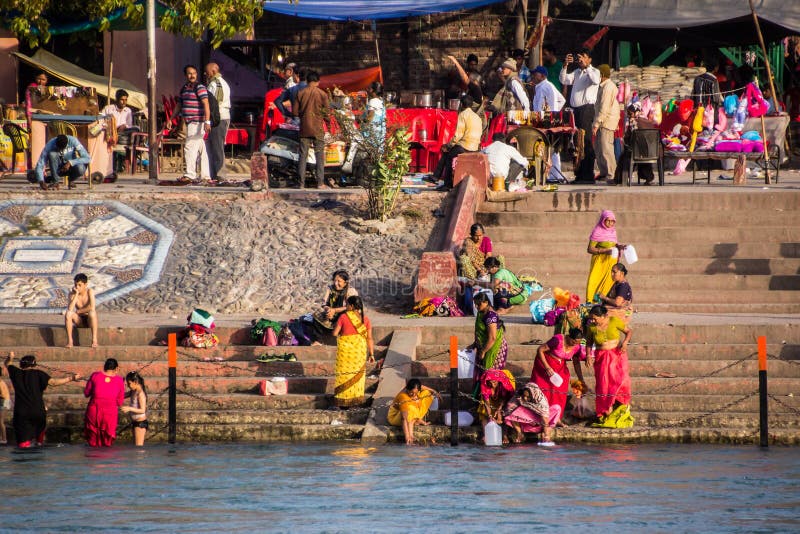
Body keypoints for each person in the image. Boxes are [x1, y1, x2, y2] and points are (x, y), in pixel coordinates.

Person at [4, 352, 79, 448]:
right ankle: (39, 442)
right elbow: (54, 382)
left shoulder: (16, 372)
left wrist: (10, 357)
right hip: (38, 410)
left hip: (21, 411)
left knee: (23, 443)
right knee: (39, 435)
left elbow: (7, 364)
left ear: (22, 364)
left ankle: (25, 447)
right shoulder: (39, 374)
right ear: (34, 365)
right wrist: (71, 378)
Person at [585, 305, 633, 428]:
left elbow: (628, 331)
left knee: (622, 380)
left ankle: (619, 404)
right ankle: (607, 411)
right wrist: (588, 356)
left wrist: (625, 343)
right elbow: (589, 343)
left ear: (603, 316)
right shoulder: (591, 327)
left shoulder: (613, 321)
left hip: (617, 356)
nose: (593, 321)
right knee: (603, 385)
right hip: (601, 358)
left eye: (595, 318)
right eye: (591, 318)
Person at [530, 328, 586, 431]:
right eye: (573, 341)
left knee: (561, 391)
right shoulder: (558, 340)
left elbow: (576, 363)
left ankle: (557, 419)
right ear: (569, 337)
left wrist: (581, 378)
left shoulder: (576, 347)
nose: (574, 344)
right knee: (544, 390)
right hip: (545, 364)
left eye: (577, 343)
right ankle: (540, 417)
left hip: (560, 367)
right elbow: (540, 350)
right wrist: (547, 368)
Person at [560, 48, 600, 183]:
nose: (581, 60)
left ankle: (588, 175)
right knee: (577, 143)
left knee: (585, 142)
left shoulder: (594, 71)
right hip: (576, 110)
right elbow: (564, 80)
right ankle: (579, 173)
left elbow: (595, 81)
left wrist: (587, 67)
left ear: (589, 59)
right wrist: (565, 65)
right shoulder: (577, 72)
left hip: (586, 109)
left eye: (583, 57)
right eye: (579, 57)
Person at [331, 296, 375, 408]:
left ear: (351, 306)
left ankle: (343, 402)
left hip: (345, 353)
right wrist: (372, 354)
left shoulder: (343, 317)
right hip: (359, 354)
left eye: (347, 305)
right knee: (357, 377)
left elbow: (335, 334)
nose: (345, 307)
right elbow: (369, 338)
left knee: (345, 376)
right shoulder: (366, 319)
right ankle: (356, 400)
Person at [432, 94, 482, 191]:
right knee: (449, 152)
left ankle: (446, 183)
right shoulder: (477, 117)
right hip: (475, 147)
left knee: (447, 154)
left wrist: (448, 145)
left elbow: (457, 136)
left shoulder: (463, 115)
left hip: (464, 146)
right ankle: (435, 177)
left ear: (461, 105)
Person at [173, 64, 212, 182]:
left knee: (189, 147)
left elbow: (206, 104)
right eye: (189, 73)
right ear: (186, 75)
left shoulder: (199, 87)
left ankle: (190, 174)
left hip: (197, 122)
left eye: (194, 73)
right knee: (201, 149)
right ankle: (206, 176)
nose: (192, 75)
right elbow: (179, 105)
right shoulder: (184, 88)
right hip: (190, 122)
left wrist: (207, 121)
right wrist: (171, 119)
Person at [296, 70, 333, 189]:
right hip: (317, 129)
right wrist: (329, 127)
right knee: (319, 156)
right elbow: (327, 114)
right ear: (317, 82)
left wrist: (303, 115)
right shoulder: (322, 94)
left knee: (302, 156)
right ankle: (320, 183)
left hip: (304, 129)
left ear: (307, 81)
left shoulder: (300, 93)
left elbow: (295, 112)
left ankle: (301, 184)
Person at [531, 65, 566, 182]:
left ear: (542, 76)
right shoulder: (542, 86)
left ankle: (553, 174)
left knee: (550, 147)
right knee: (548, 147)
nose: (533, 76)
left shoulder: (546, 86)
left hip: (546, 122)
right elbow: (562, 99)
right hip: (544, 120)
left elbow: (553, 104)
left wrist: (551, 113)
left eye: (536, 74)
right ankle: (551, 174)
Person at [586, 210, 627, 302]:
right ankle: (590, 303)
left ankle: (603, 303)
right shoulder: (597, 231)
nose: (610, 223)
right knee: (594, 282)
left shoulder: (613, 231)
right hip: (599, 262)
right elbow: (590, 249)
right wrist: (604, 251)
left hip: (611, 262)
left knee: (609, 282)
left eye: (612, 221)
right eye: (608, 220)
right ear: (603, 220)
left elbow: (614, 244)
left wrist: (620, 246)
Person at [84, 358, 125, 447]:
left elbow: (87, 393)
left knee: (93, 441)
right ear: (117, 369)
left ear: (104, 367)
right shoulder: (119, 380)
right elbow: (120, 402)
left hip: (94, 412)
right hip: (109, 414)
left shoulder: (95, 376)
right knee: (107, 443)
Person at [311, 270, 359, 344]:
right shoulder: (330, 289)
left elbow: (352, 307)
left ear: (345, 282)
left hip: (344, 314)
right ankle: (319, 340)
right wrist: (328, 310)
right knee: (316, 314)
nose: (336, 283)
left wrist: (334, 310)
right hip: (332, 314)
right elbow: (324, 303)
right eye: (334, 280)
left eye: (339, 281)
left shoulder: (350, 291)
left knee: (349, 316)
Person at [468, 291, 508, 379]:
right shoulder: (481, 313)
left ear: (486, 302)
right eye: (475, 304)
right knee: (482, 373)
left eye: (479, 304)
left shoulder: (491, 316)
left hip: (494, 347)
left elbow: (493, 338)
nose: (476, 307)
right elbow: (480, 332)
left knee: (491, 376)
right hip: (485, 346)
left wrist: (483, 351)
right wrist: (475, 344)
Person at [388, 378, 441, 445]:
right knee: (411, 408)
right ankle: (412, 432)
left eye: (416, 393)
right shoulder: (403, 397)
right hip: (395, 417)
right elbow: (404, 418)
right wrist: (408, 436)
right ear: (407, 389)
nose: (413, 395)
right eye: (411, 392)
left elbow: (421, 386)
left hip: (410, 414)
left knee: (427, 393)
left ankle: (417, 419)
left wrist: (434, 391)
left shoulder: (415, 390)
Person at [592, 64, 620, 183]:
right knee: (599, 148)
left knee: (606, 148)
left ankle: (611, 174)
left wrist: (597, 123)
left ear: (602, 75)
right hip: (603, 121)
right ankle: (604, 172)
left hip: (606, 122)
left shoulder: (608, 87)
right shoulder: (603, 86)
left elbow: (604, 108)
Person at [204, 62, 232, 181]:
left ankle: (220, 175)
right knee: (214, 147)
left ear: (213, 71)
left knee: (217, 147)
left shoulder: (216, 84)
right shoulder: (221, 83)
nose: (206, 74)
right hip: (222, 117)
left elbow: (213, 105)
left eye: (207, 72)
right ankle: (214, 174)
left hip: (218, 118)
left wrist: (209, 121)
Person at [101, 89, 135, 177]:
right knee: (110, 137)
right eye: (122, 100)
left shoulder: (128, 110)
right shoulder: (108, 109)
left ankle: (121, 164)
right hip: (110, 133)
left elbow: (129, 124)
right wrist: (112, 127)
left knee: (134, 130)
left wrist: (124, 126)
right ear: (116, 99)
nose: (124, 102)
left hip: (123, 134)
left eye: (126, 100)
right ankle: (113, 167)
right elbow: (102, 122)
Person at [476, 368, 515, 436]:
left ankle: (505, 435)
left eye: (494, 382)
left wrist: (499, 409)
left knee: (505, 413)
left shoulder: (504, 384)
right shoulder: (485, 383)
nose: (492, 385)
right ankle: (486, 436)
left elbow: (505, 398)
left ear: (498, 381)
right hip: (491, 399)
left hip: (503, 398)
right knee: (483, 413)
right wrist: (489, 415)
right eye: (490, 383)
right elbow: (486, 402)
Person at [65, 273, 98, 348]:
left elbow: (92, 307)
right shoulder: (72, 294)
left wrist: (78, 311)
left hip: (90, 320)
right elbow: (70, 308)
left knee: (92, 313)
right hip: (79, 321)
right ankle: (70, 341)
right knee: (68, 314)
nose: (77, 287)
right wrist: (76, 294)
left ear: (85, 285)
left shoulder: (90, 291)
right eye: (75, 285)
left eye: (80, 285)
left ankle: (94, 340)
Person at [120, 371, 148, 446]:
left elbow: (143, 410)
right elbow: (121, 396)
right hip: (135, 422)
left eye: (129, 384)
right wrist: (122, 386)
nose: (128, 386)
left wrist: (129, 408)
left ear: (135, 382)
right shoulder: (133, 391)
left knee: (138, 448)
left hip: (140, 424)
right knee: (136, 447)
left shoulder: (140, 393)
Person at [361, 81, 386, 145]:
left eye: (369, 88)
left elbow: (370, 118)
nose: (367, 90)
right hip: (378, 136)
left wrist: (359, 119)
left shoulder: (373, 101)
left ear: (372, 90)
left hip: (371, 137)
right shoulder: (381, 101)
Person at [0, 366, 9, 444]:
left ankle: (4, 439)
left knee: (1, 421)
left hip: (4, 402)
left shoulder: (0, 383)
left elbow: (3, 395)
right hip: (3, 402)